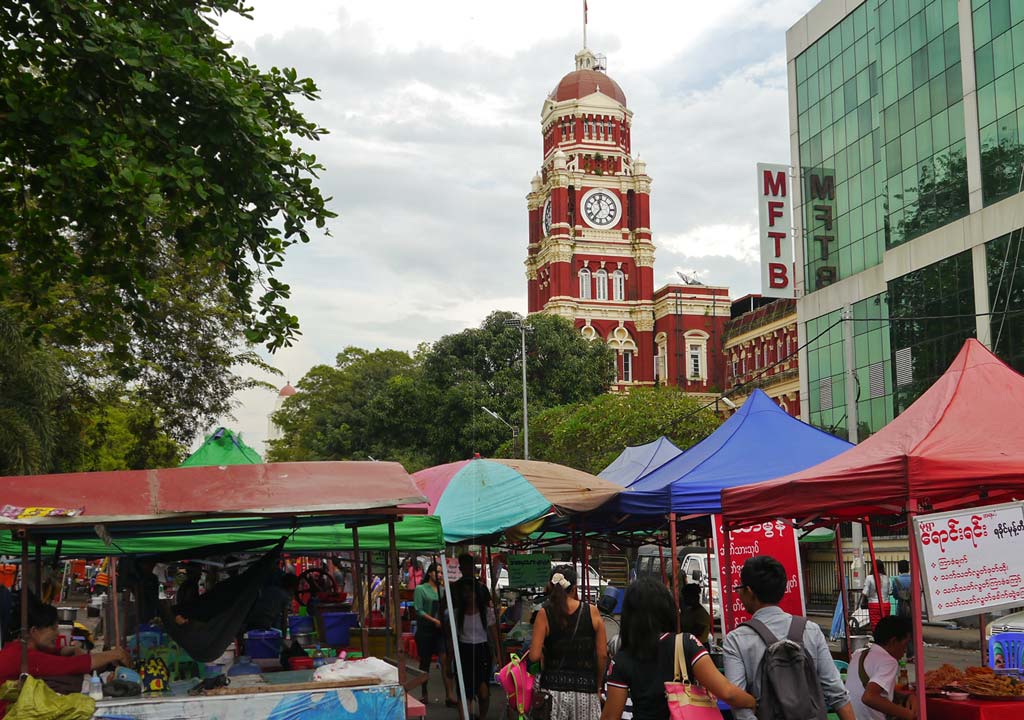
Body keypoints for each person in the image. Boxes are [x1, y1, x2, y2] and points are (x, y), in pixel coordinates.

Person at [601, 577, 755, 720]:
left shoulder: (620, 660)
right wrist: (753, 702)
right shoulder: (686, 644)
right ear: (665, 608)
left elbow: (610, 717)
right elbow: (727, 693)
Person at [723, 556, 855, 720]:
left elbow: (739, 705)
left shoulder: (736, 640)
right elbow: (837, 692)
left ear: (749, 591)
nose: (739, 593)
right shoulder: (810, 630)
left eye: (740, 588)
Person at [0, 601, 128, 713]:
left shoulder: (17, 648)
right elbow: (70, 665)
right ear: (34, 631)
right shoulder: (23, 656)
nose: (57, 633)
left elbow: (50, 655)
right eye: (53, 628)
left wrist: (67, 650)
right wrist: (115, 654)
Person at [529, 565, 607, 719]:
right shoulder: (591, 612)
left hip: (552, 692)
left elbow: (534, 656)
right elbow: (602, 655)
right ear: (574, 588)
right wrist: (598, 686)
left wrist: (537, 672)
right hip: (587, 692)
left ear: (551, 586)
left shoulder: (544, 613)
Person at [451, 553, 499, 720]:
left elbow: (494, 633)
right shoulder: (456, 602)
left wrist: (497, 653)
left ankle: (481, 716)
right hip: (464, 650)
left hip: (481, 650)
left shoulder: (483, 595)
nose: (467, 595)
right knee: (465, 689)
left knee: (484, 690)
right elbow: (451, 632)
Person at [845, 616, 915, 720]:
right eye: (905, 644)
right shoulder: (889, 662)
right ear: (893, 642)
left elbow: (878, 690)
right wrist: (907, 714)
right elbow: (869, 697)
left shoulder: (858, 655)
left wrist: (905, 697)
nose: (905, 651)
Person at [413, 562, 456, 705]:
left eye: (441, 573)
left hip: (440, 631)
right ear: (430, 573)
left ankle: (449, 695)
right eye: (437, 572)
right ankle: (424, 693)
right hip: (425, 630)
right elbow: (418, 610)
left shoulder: (443, 590)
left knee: (445, 661)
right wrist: (434, 620)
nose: (439, 575)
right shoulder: (420, 589)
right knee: (424, 663)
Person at [890, 560, 914, 661]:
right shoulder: (913, 579)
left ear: (899, 569)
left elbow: (895, 595)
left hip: (901, 610)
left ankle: (899, 653)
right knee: (912, 632)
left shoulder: (896, 580)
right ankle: (911, 655)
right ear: (908, 568)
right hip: (913, 610)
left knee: (901, 633)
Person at [861, 560, 891, 630]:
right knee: (886, 625)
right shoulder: (887, 578)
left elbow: (865, 592)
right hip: (886, 604)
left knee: (876, 625)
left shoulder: (869, 578)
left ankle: (877, 639)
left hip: (873, 605)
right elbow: (890, 591)